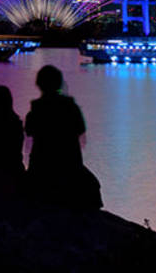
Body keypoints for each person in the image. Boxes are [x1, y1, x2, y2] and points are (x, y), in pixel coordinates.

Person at [25, 64, 101, 209]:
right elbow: (80, 129)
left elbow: (29, 131)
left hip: (42, 166)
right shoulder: (71, 108)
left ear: (39, 84)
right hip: (70, 165)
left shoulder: (37, 110)